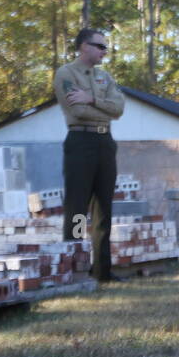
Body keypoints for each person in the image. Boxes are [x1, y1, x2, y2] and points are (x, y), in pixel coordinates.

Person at [56, 28, 126, 283]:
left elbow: (118, 108)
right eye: (100, 46)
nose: (104, 51)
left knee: (103, 209)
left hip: (105, 142)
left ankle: (102, 271)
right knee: (77, 208)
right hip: (80, 141)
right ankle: (75, 269)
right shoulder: (66, 73)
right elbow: (77, 111)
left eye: (105, 47)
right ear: (84, 46)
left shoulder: (104, 77)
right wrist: (99, 105)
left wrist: (91, 99)